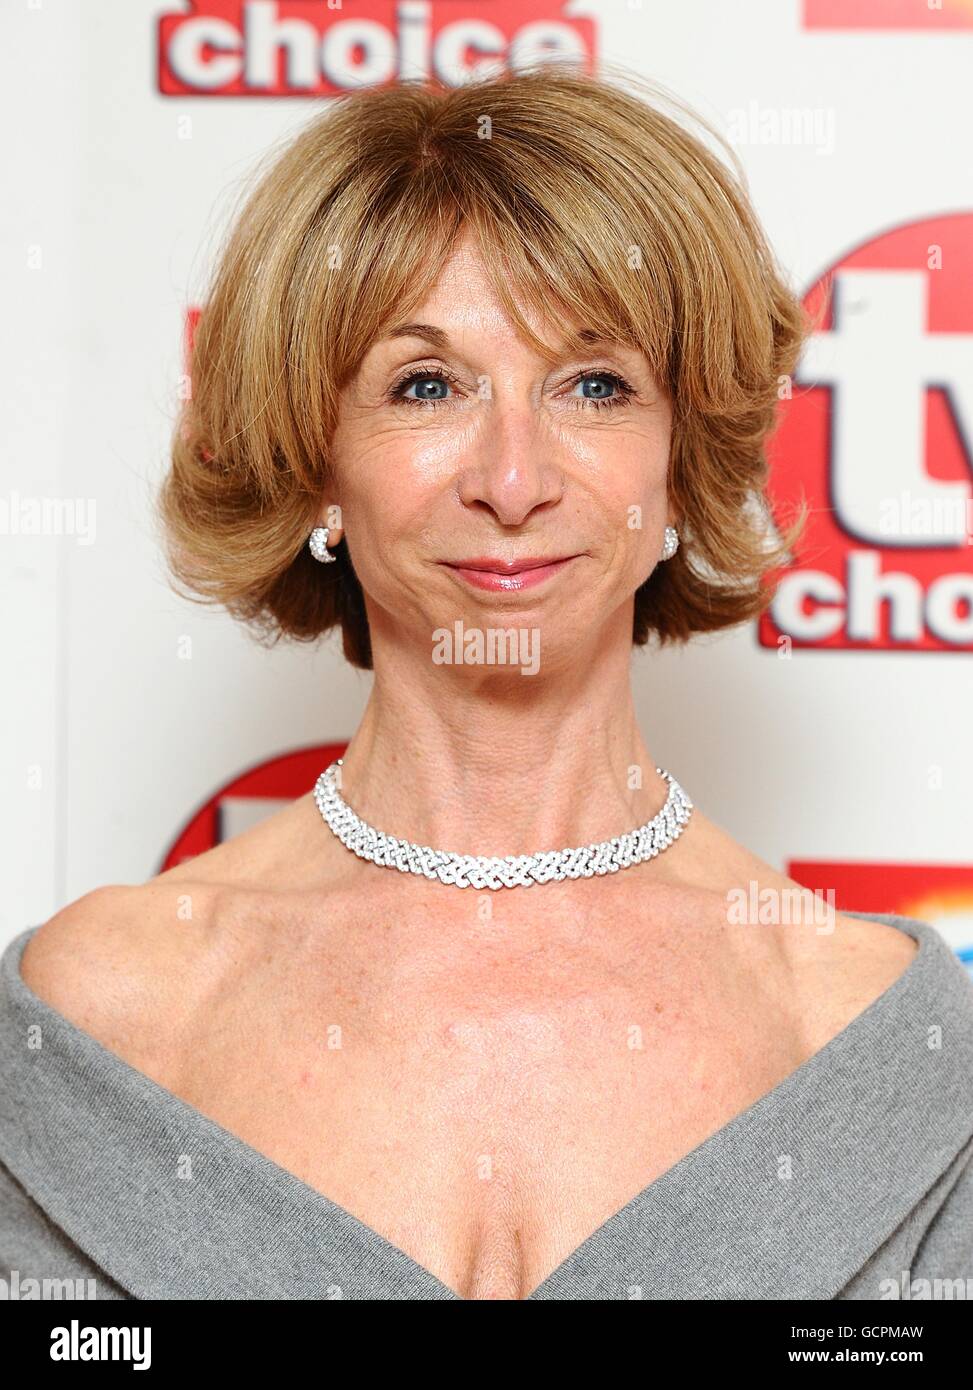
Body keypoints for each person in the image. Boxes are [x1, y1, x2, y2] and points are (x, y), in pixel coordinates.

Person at [3, 63, 971, 1303]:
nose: (513, 481)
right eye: (426, 386)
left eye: (593, 384)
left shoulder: (869, 1033)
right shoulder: (105, 1010)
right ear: (317, 470)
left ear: (680, 463)